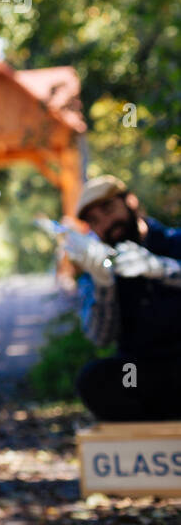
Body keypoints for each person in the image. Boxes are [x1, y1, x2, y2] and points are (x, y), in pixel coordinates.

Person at [65, 175, 181, 421]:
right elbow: (100, 337)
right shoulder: (96, 271)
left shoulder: (174, 242)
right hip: (139, 372)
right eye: (95, 221)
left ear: (131, 202)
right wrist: (104, 285)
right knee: (96, 380)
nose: (107, 223)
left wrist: (159, 268)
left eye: (108, 209)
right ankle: (147, 435)